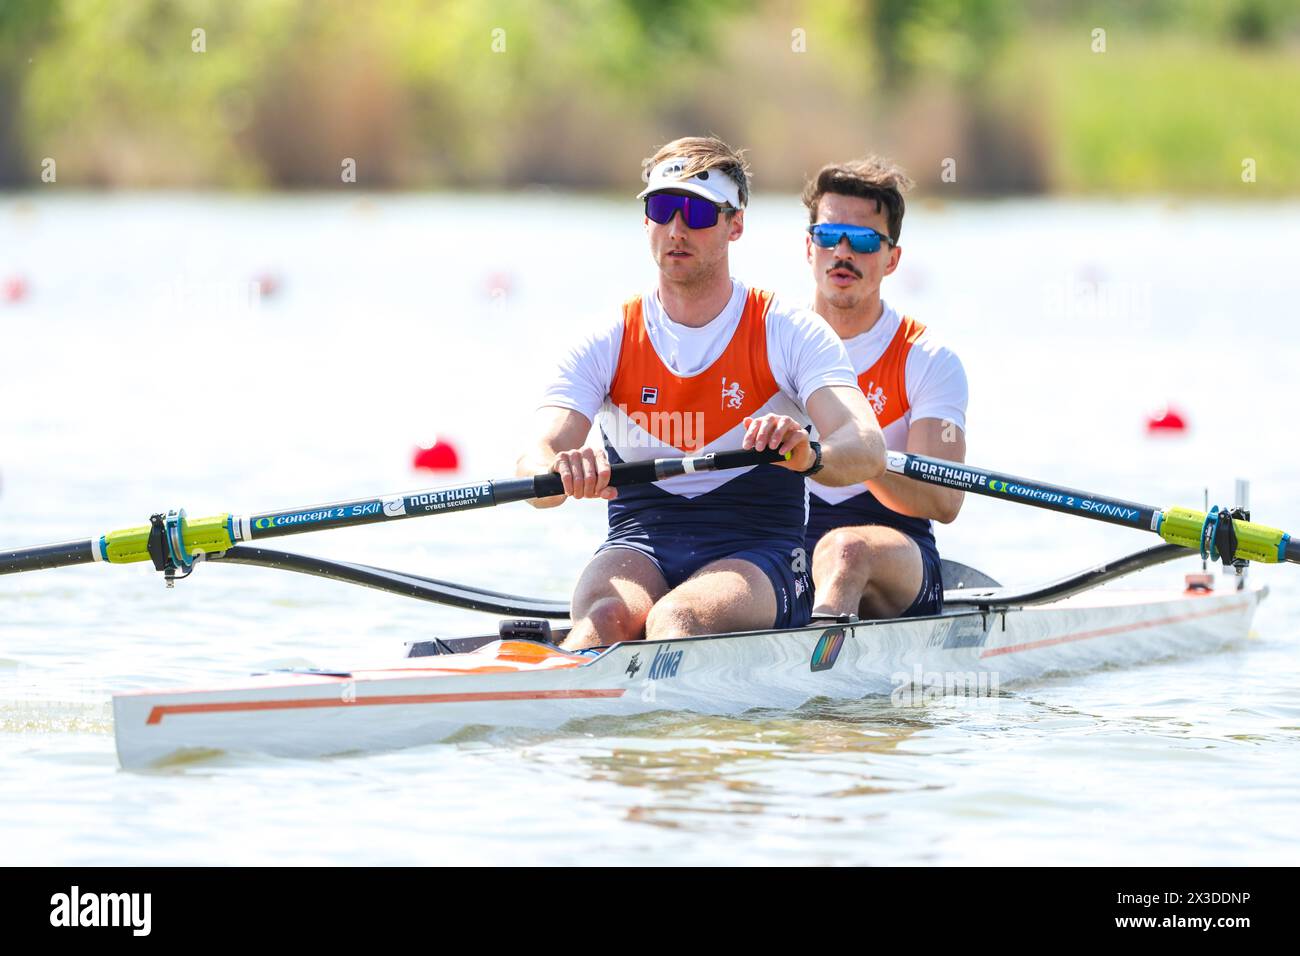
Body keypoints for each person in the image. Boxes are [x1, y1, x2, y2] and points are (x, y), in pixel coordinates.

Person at [518, 136, 885, 650]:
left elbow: (866, 445)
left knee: (676, 621)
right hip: (638, 545)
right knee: (603, 622)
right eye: (663, 208)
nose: (676, 229)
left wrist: (810, 456)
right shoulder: (608, 335)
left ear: (735, 225)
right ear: (646, 220)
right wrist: (558, 473)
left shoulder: (787, 330)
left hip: (759, 552)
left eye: (695, 212)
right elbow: (536, 455)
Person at [801, 158, 968, 620]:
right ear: (808, 248)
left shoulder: (927, 359)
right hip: (785, 547)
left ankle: (818, 679)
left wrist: (856, 456)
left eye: (864, 241)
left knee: (846, 549)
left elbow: (943, 500)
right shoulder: (769, 342)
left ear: (892, 259)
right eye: (829, 236)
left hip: (896, 553)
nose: (843, 253)